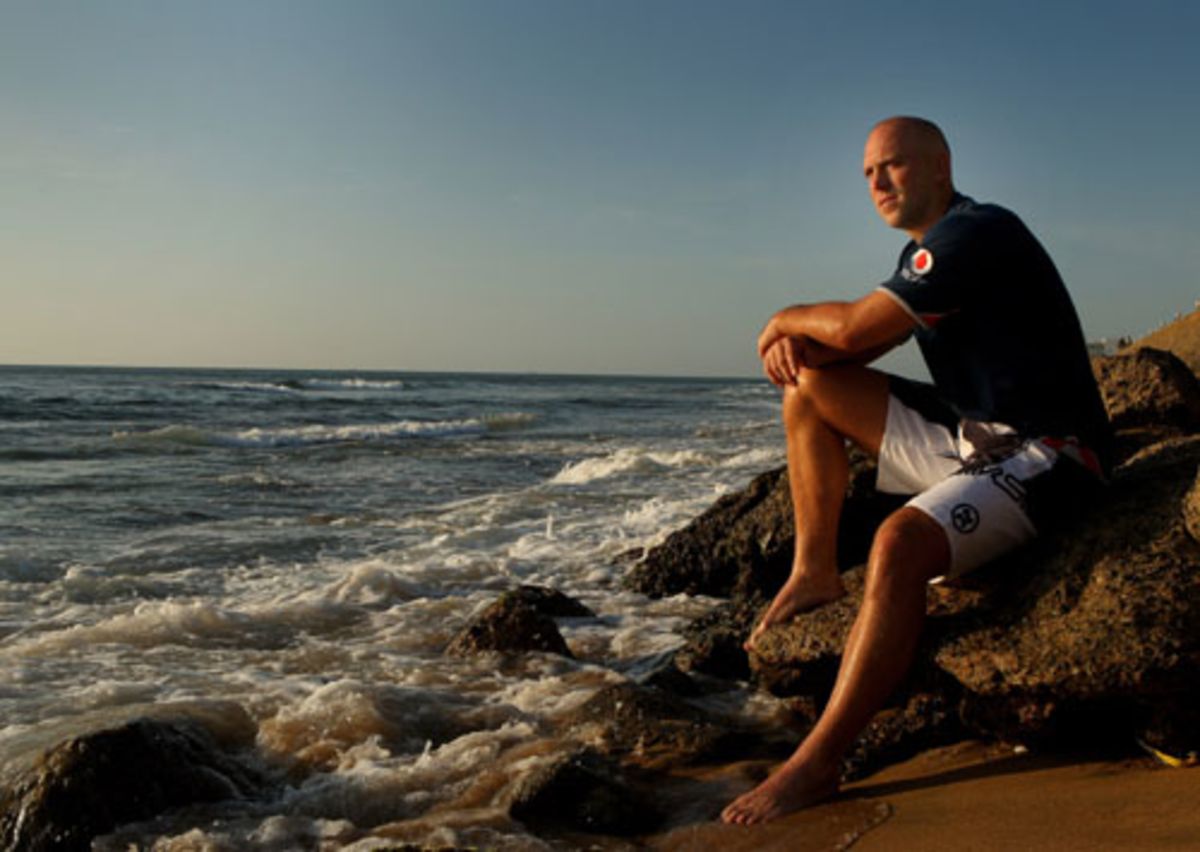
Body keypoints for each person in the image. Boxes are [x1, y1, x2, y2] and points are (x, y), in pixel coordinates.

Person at [720, 116, 1112, 825]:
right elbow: (843, 352)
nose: (877, 182)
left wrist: (784, 318)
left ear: (940, 166)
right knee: (807, 386)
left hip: (1052, 454)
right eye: (868, 172)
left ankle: (818, 762)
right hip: (975, 440)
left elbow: (853, 329)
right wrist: (797, 352)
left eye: (892, 166)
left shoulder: (973, 233)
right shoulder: (929, 255)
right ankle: (813, 569)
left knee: (897, 544)